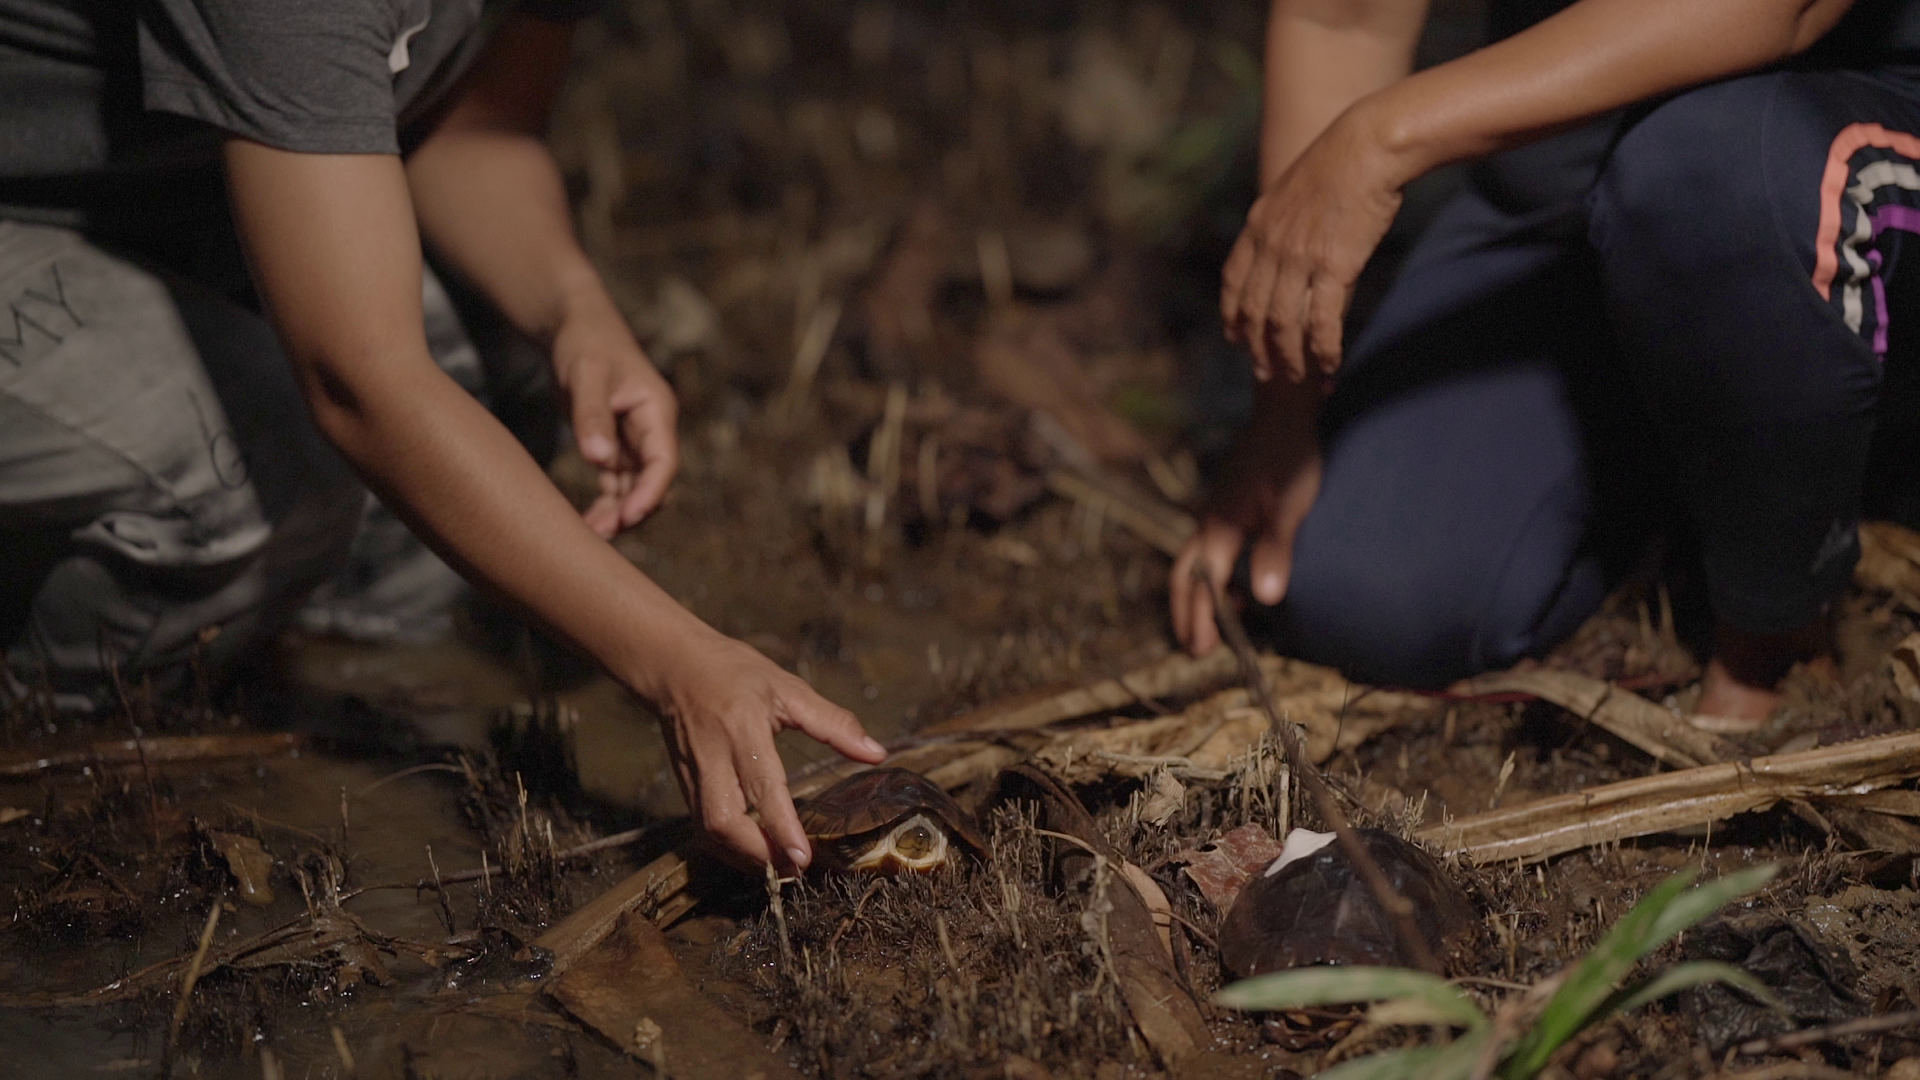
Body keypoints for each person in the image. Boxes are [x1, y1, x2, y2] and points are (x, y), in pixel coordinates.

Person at [0, 1, 885, 871]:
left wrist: (574, 308)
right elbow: (361, 383)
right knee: (252, 460)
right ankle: (72, 752)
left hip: (154, 213)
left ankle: (301, 645)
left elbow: (480, 134)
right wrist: (678, 662)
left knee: (492, 354)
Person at [1172, 0, 1920, 721]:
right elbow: (1340, 18)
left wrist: (1379, 139)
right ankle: (1709, 440)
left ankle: (1774, 634)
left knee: (1715, 172)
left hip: (1829, 142)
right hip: (1559, 187)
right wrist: (1285, 404)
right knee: (1369, 598)